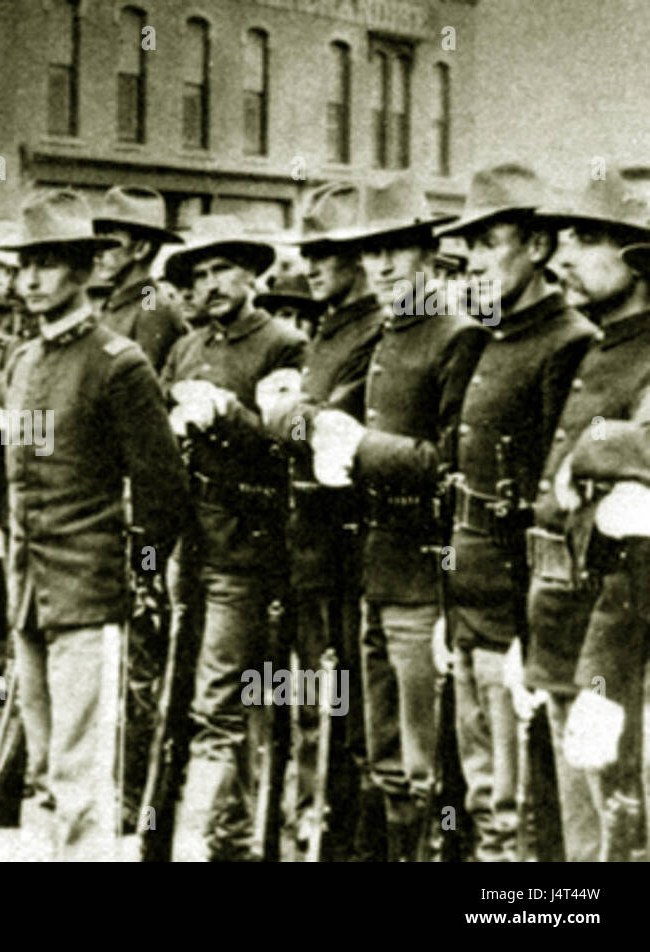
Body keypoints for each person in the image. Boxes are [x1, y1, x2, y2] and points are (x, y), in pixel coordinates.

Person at [0, 189, 188, 859]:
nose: (32, 279)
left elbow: (164, 490)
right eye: (25, 266)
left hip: (86, 588)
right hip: (28, 588)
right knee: (46, 766)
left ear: (82, 270)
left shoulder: (118, 363)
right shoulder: (21, 363)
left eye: (47, 264)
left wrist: (134, 578)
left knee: (83, 774)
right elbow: (18, 475)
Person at [308, 174, 488, 861]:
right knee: (382, 755)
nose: (380, 267)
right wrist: (313, 421)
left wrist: (360, 448)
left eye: (395, 251)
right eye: (372, 252)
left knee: (425, 763)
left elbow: (451, 465)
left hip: (425, 578)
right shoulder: (392, 333)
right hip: (377, 575)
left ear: (427, 255)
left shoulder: (456, 337)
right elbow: (332, 412)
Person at [432, 163, 599, 862]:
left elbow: (549, 498)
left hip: (516, 606)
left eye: (489, 241)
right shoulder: (481, 337)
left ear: (536, 247)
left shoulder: (568, 343)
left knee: (518, 802)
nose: (473, 260)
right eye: (466, 247)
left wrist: (524, 629)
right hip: (467, 596)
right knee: (480, 795)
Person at [160, 214, 307, 861]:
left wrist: (228, 418)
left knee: (222, 700)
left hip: (247, 546)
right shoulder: (187, 347)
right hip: (189, 540)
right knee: (186, 688)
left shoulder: (283, 345)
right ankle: (231, 835)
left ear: (252, 274)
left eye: (224, 269)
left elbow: (291, 448)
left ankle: (213, 841)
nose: (212, 284)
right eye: (200, 274)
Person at [257, 180, 390, 860]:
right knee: (315, 702)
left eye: (328, 250)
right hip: (309, 541)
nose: (313, 263)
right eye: (309, 249)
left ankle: (338, 842)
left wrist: (283, 412)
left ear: (361, 256)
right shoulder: (330, 329)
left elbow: (328, 420)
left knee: (350, 713)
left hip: (347, 543)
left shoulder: (373, 331)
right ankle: (311, 832)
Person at [522, 169, 650, 860]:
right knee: (576, 845)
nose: (564, 257)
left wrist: (599, 445)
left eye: (589, 237)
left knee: (619, 836)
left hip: (620, 650)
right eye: (564, 237)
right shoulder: (599, 348)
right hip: (562, 629)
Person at [91, 185, 186, 372]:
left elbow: (141, 382)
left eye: (110, 242)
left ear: (141, 249)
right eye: (99, 241)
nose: (98, 253)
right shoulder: (120, 298)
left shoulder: (150, 303)